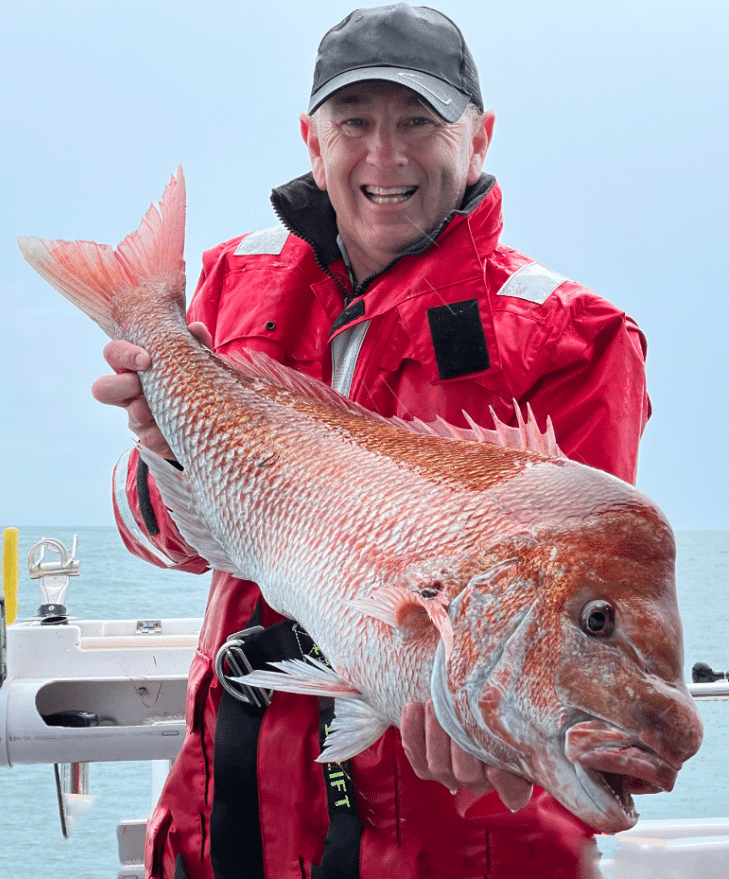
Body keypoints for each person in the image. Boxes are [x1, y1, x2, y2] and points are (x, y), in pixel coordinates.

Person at [93, 5, 651, 878]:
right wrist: (166, 456)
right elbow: (152, 532)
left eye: (419, 121)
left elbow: (572, 605)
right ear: (312, 143)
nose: (384, 156)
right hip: (229, 817)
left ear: (480, 137)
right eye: (355, 123)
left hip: (456, 852)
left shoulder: (575, 338)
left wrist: (499, 721)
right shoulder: (229, 282)